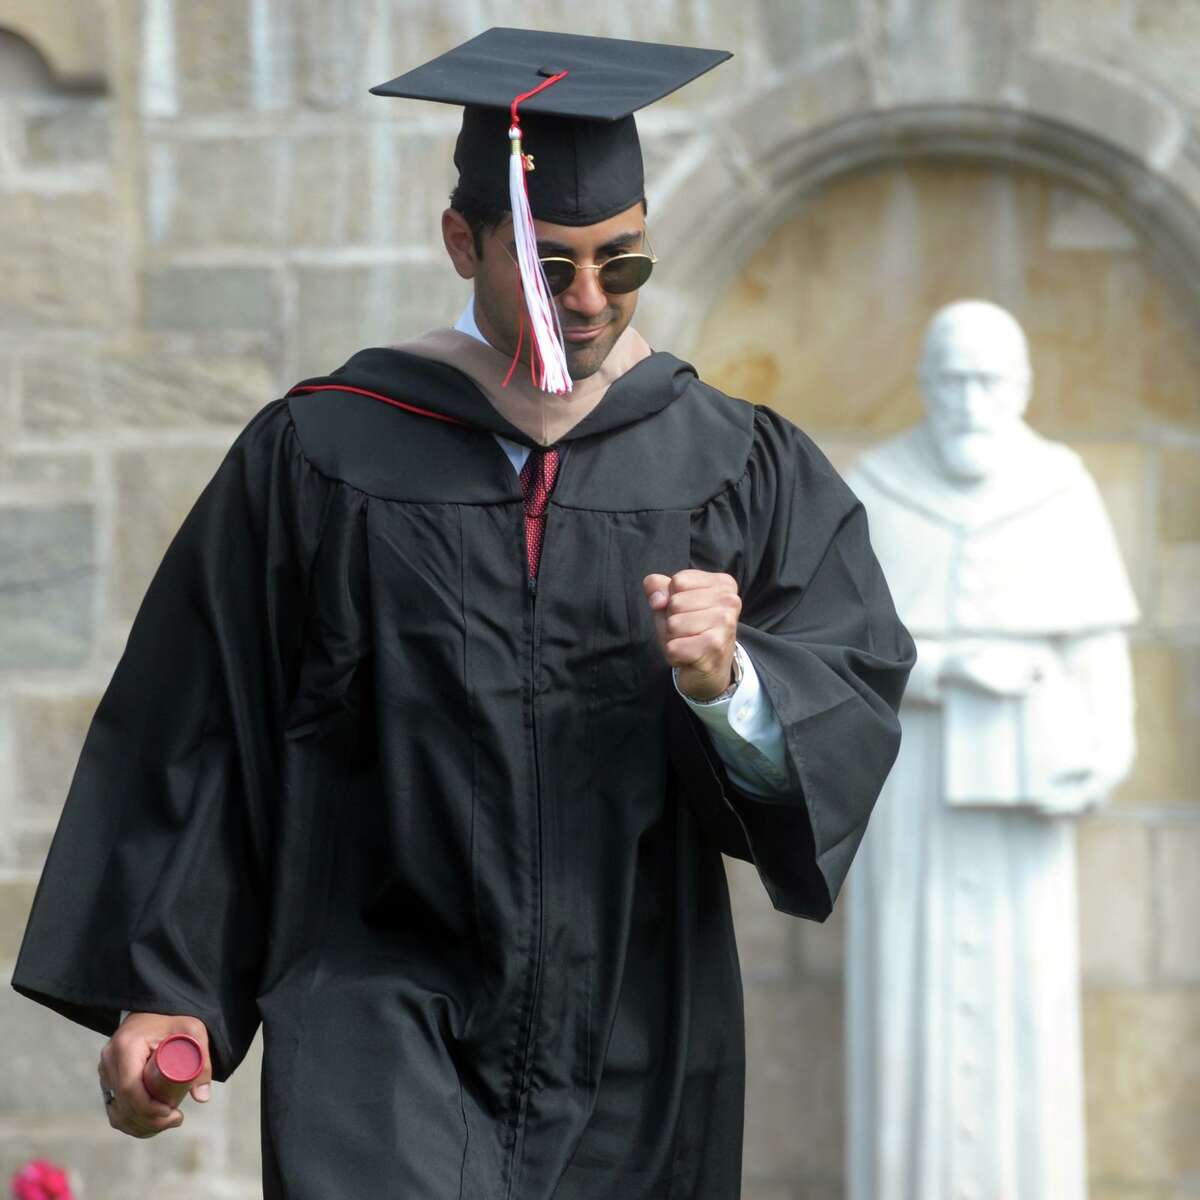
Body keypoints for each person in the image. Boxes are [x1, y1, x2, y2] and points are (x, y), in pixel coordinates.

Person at [13, 28, 914, 1200]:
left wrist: (730, 685)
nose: (587, 302)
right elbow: (208, 725)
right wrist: (167, 985)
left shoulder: (730, 464)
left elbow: (851, 679)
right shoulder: (325, 453)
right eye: (549, 266)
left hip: (637, 1023)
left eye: (622, 263)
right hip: (374, 1007)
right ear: (463, 242)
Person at [843, 299, 1138, 1200]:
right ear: (927, 385)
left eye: (990, 381)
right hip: (909, 795)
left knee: (1026, 1004)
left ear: (1022, 388)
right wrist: (952, 668)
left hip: (1025, 790)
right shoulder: (876, 484)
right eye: (953, 380)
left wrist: (1103, 751)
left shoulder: (1061, 487)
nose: (971, 401)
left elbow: (1098, 651)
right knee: (907, 1005)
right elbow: (845, 655)